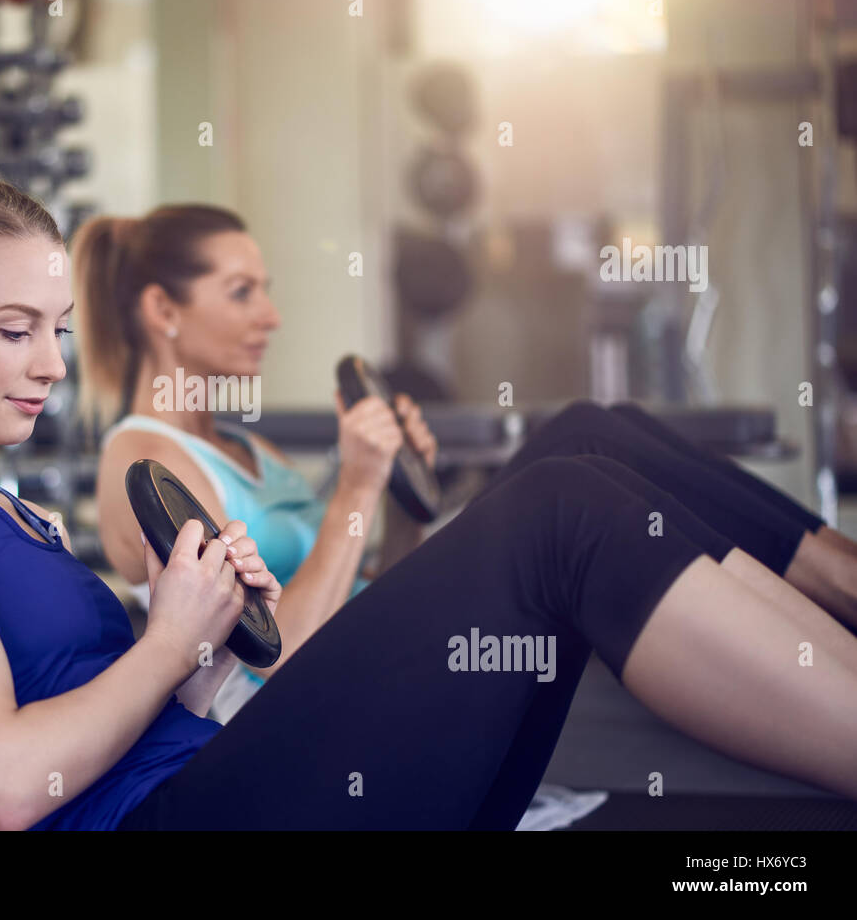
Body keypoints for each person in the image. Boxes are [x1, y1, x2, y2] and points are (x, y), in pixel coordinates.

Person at [0, 172, 857, 830]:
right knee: (560, 510)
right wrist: (169, 644)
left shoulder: (7, 508)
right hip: (181, 818)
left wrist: (210, 641)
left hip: (229, 779)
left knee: (578, 464)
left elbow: (134, 709)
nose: (48, 364)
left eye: (57, 330)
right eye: (14, 328)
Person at [73, 205, 857, 724]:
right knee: (578, 448)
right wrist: (357, 481)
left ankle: (839, 586)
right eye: (241, 292)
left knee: (599, 426)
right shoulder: (142, 458)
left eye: (266, 292)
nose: (271, 316)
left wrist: (403, 496)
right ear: (162, 311)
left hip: (388, 632)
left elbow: (369, 572)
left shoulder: (252, 448)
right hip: (335, 696)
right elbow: (277, 658)